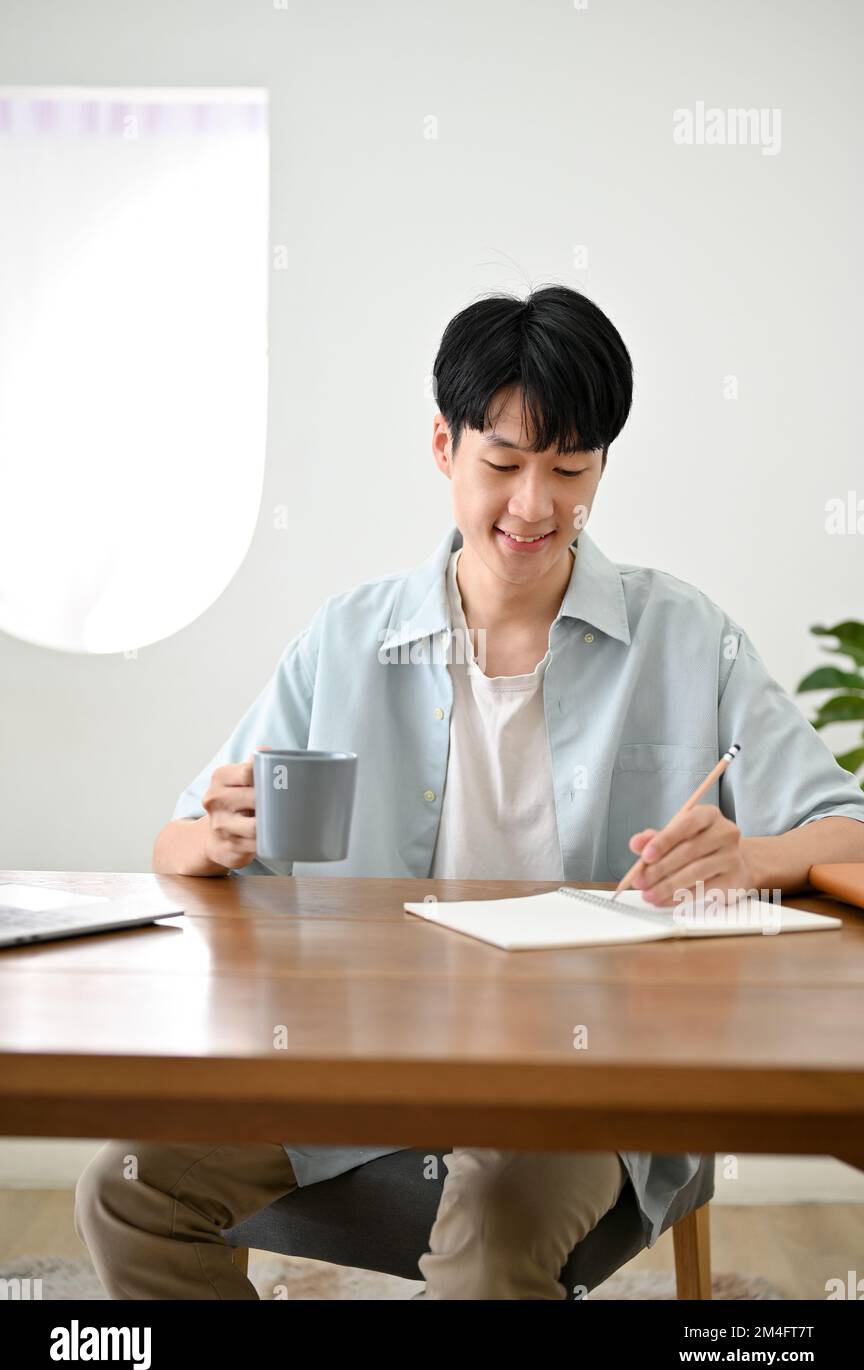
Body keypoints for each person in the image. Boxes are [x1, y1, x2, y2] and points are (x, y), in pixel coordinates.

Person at [75, 285, 864, 1299]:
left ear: (601, 467)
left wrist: (752, 856)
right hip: (363, 1060)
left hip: (595, 1078)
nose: (534, 504)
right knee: (128, 1190)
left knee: (491, 1226)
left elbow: (850, 830)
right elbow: (177, 843)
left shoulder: (683, 637)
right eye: (502, 463)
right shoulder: (349, 638)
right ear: (443, 448)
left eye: (569, 468)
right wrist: (214, 835)